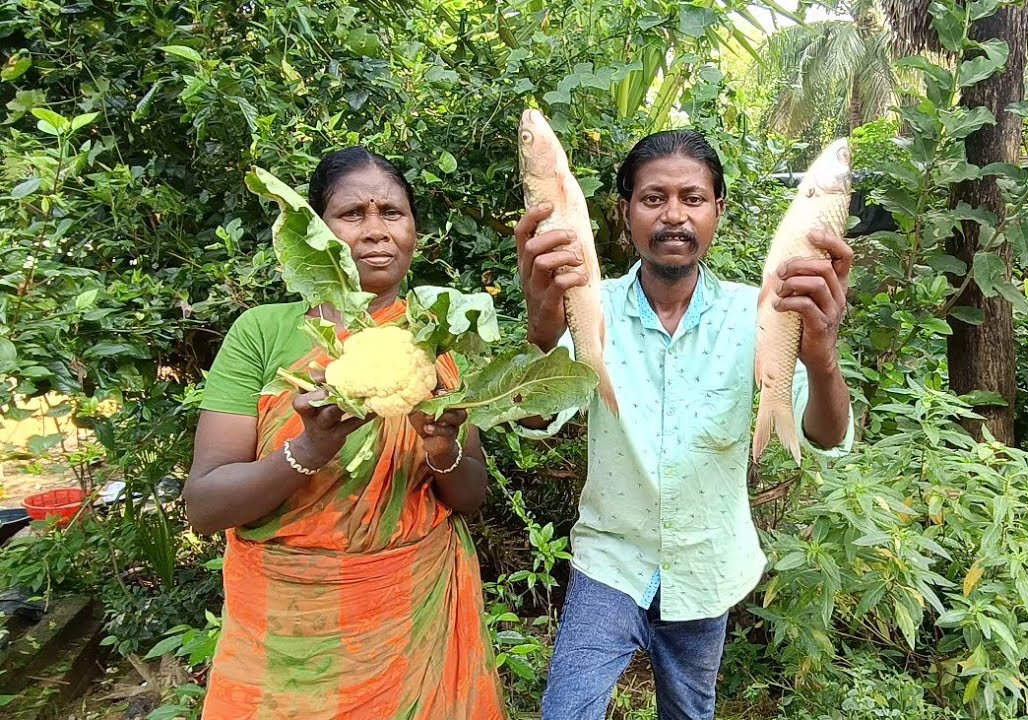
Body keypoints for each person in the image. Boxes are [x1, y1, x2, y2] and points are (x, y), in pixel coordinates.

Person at [515, 130, 855, 720]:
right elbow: (540, 416)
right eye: (653, 198)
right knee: (566, 710)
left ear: (718, 210)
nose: (674, 215)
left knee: (689, 712)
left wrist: (822, 356)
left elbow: (825, 435)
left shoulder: (760, 314)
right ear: (624, 212)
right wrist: (543, 333)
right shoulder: (590, 307)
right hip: (610, 563)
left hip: (707, 566)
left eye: (693, 198)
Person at [186, 147, 505, 720]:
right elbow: (206, 506)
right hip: (284, 630)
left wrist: (442, 449)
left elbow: (470, 498)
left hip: (414, 619)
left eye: (393, 212)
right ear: (318, 232)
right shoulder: (263, 333)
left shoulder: (439, 339)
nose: (376, 231)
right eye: (352, 214)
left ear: (415, 230)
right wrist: (310, 449)